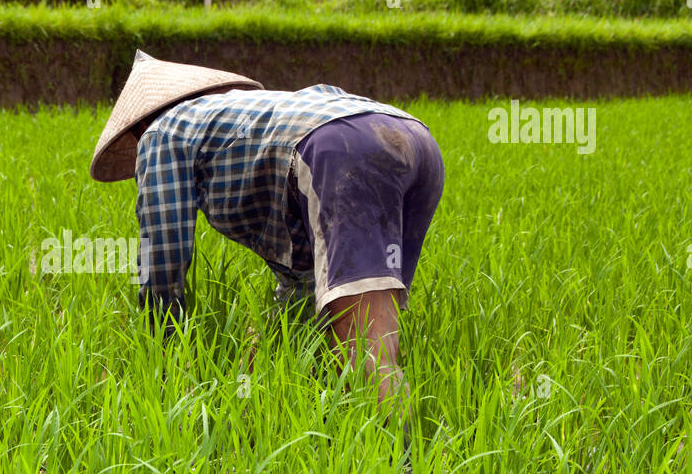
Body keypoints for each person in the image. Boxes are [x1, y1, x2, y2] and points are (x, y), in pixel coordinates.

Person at [90, 49, 444, 414]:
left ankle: (401, 465)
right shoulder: (252, 117)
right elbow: (304, 275)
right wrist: (268, 352)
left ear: (138, 129)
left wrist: (161, 351)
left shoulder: (163, 132)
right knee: (362, 320)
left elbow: (163, 255)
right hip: (415, 140)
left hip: (340, 150)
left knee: (364, 350)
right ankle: (354, 438)